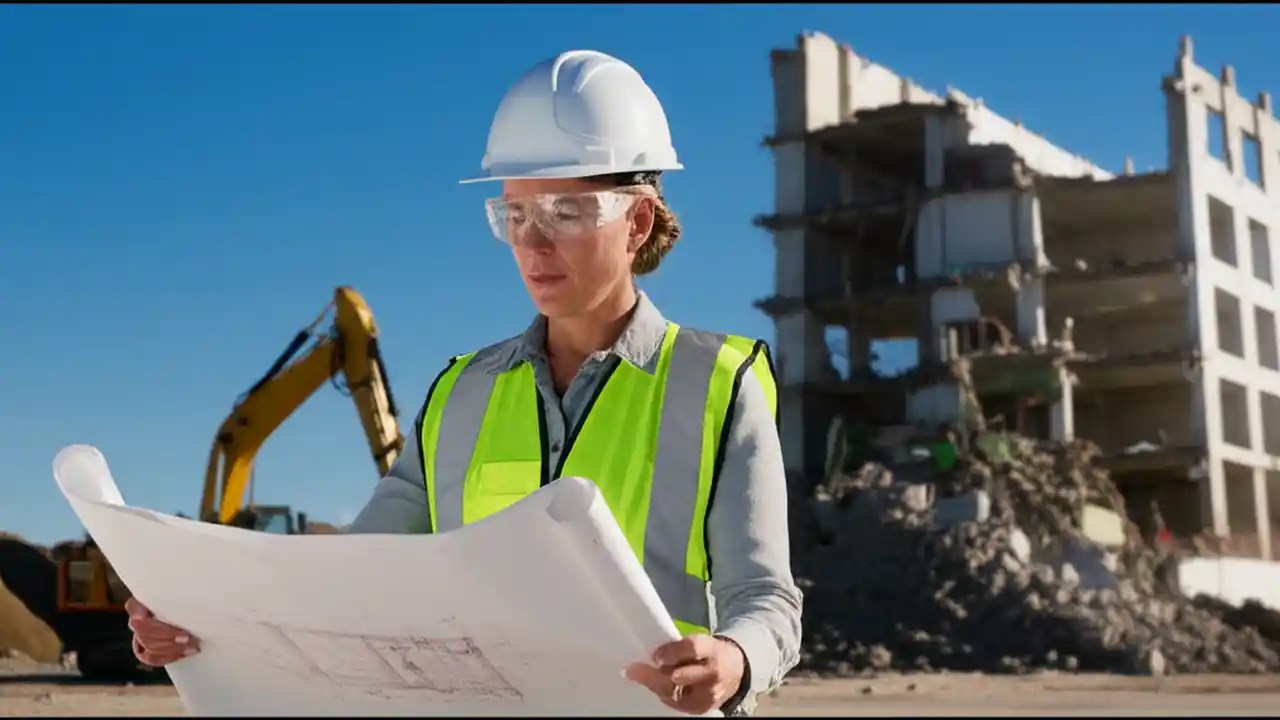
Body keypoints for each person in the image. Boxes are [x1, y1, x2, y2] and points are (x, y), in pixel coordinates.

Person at [126, 48, 803, 716]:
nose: (533, 245)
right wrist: (202, 618)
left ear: (638, 221)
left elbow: (767, 601)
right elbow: (354, 584)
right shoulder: (461, 394)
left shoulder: (718, 382)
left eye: (566, 212)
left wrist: (737, 660)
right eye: (515, 215)